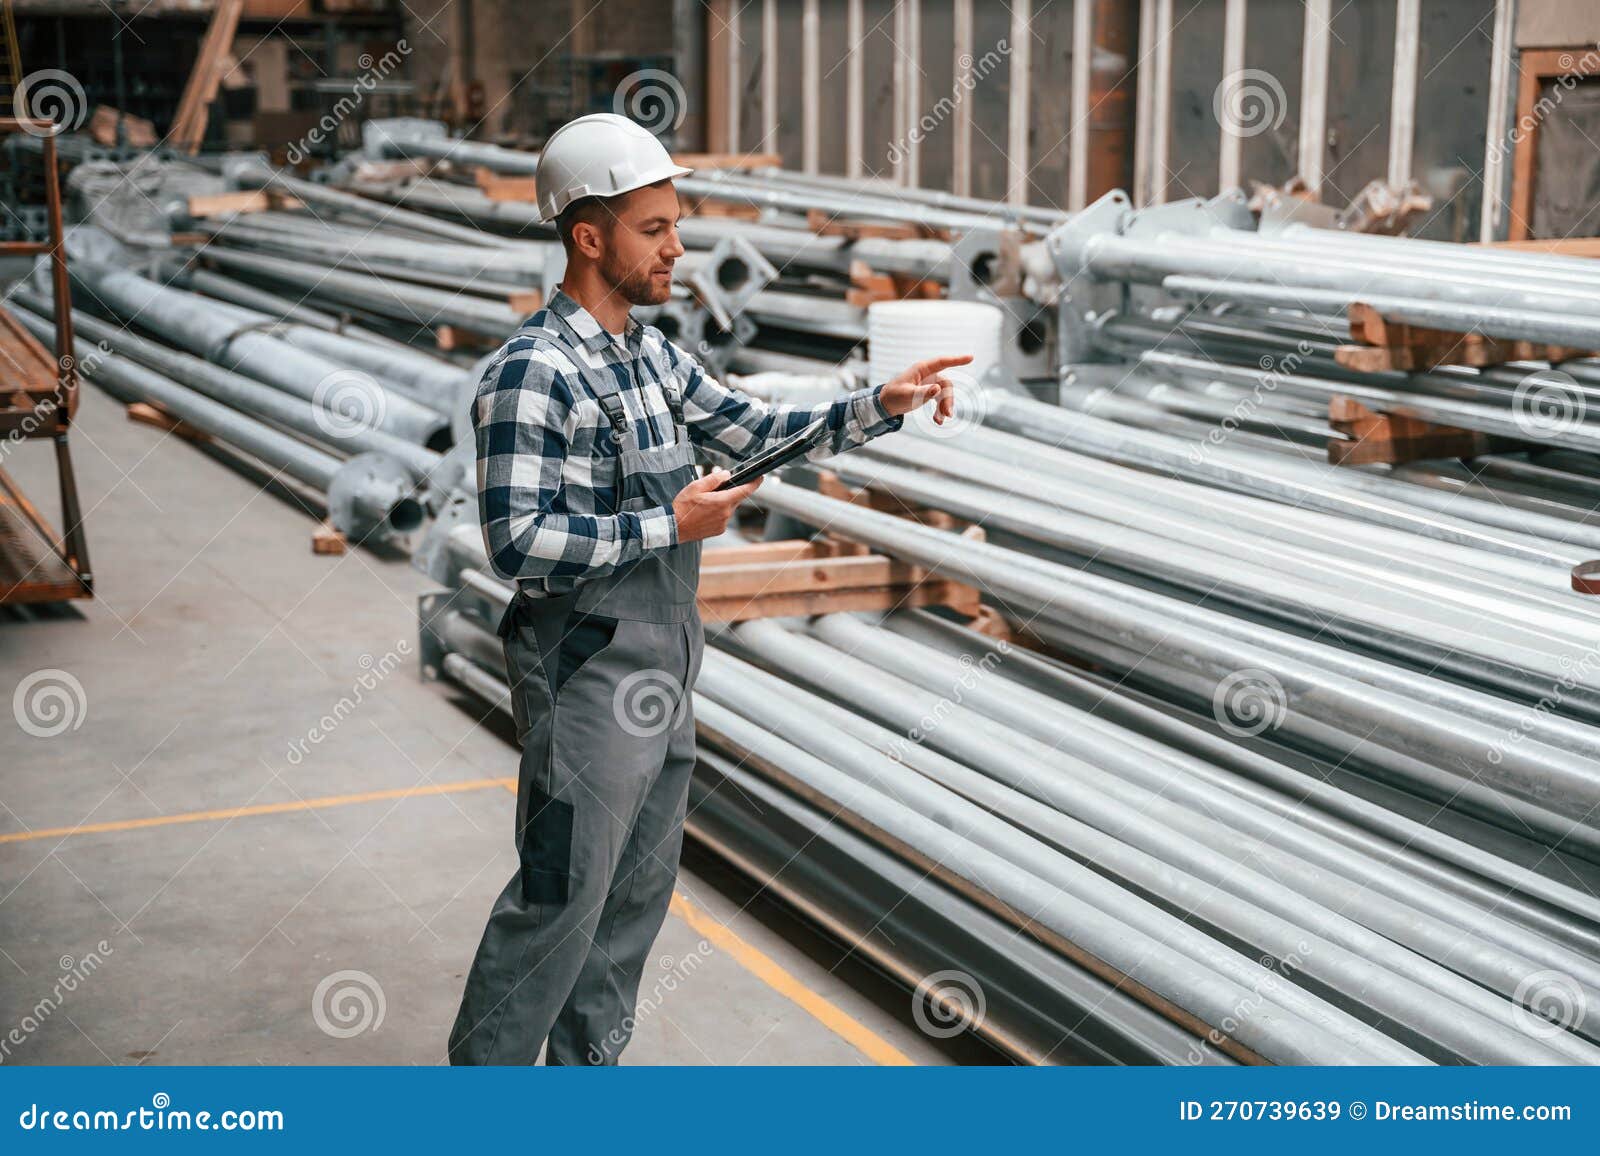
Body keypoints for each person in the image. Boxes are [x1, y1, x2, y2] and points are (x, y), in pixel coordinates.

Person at [448, 112, 971, 1065]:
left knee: (633, 906)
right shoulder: (534, 372)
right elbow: (517, 545)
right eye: (655, 230)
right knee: (560, 901)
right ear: (588, 236)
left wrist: (878, 405)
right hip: (585, 669)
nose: (677, 248)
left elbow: (755, 426)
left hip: (664, 663)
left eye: (676, 225)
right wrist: (666, 525)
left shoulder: (651, 359)